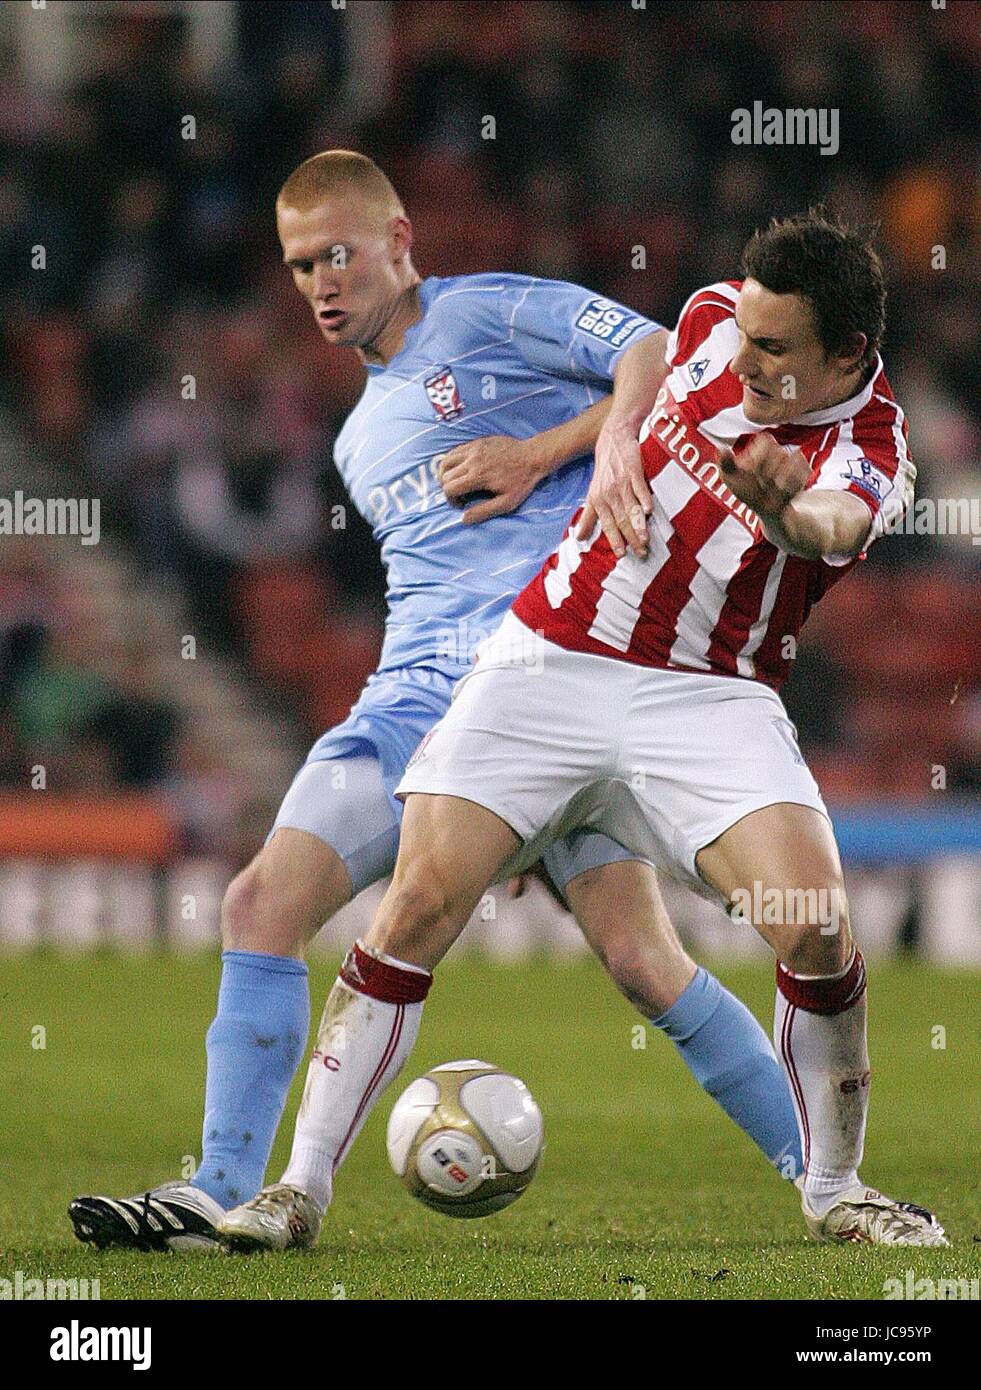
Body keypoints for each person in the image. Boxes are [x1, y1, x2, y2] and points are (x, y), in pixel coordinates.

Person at [69, 152, 804, 1254]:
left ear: (401, 241)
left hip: (557, 681)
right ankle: (217, 1189)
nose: (320, 282)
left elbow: (662, 349)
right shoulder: (354, 440)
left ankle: (825, 1177)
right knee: (260, 903)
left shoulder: (494, 311)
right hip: (416, 699)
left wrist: (559, 447)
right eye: (299, 265)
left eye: (339, 255)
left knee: (646, 964)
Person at [219, 206, 947, 1251]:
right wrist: (599, 441)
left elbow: (833, 523)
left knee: (817, 926)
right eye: (744, 331)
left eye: (775, 349)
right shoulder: (709, 321)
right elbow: (643, 373)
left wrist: (784, 513)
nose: (744, 356)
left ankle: (836, 1188)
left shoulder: (871, 449)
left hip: (708, 693)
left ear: (848, 354)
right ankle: (295, 1191)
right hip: (551, 654)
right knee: (420, 898)